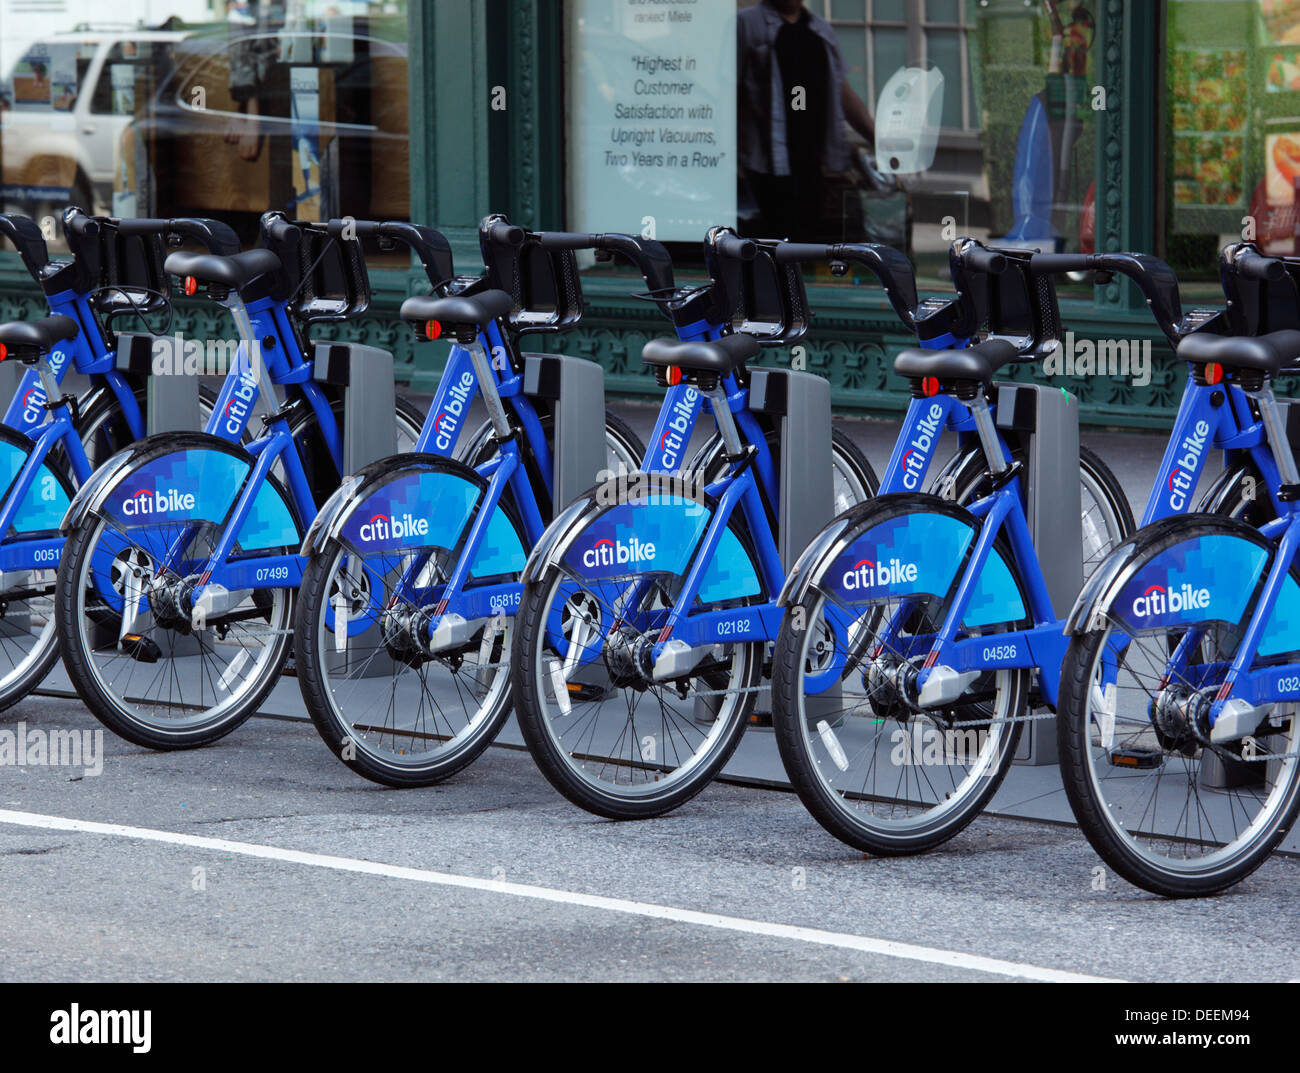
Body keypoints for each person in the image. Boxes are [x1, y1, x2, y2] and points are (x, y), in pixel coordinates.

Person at [737, 0, 876, 241]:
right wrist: (730, 160)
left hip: (814, 166)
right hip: (764, 170)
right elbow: (728, 91)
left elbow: (842, 91)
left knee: (808, 245)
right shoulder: (746, 24)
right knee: (771, 249)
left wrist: (879, 139)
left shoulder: (820, 30)